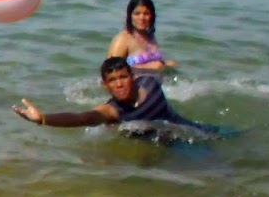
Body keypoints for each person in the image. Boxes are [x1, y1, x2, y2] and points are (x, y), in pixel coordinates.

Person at [11, 56, 213, 138]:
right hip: (157, 152)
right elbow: (82, 118)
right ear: (104, 85)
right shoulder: (113, 110)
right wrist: (43, 119)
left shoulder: (150, 84)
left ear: (133, 77)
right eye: (113, 80)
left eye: (124, 77)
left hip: (189, 131)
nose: (119, 84)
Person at [107, 0, 175, 72]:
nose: (142, 18)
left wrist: (165, 64)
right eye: (137, 13)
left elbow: (154, 64)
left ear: (152, 16)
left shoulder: (150, 36)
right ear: (130, 16)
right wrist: (145, 67)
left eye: (146, 14)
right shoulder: (123, 39)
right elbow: (110, 70)